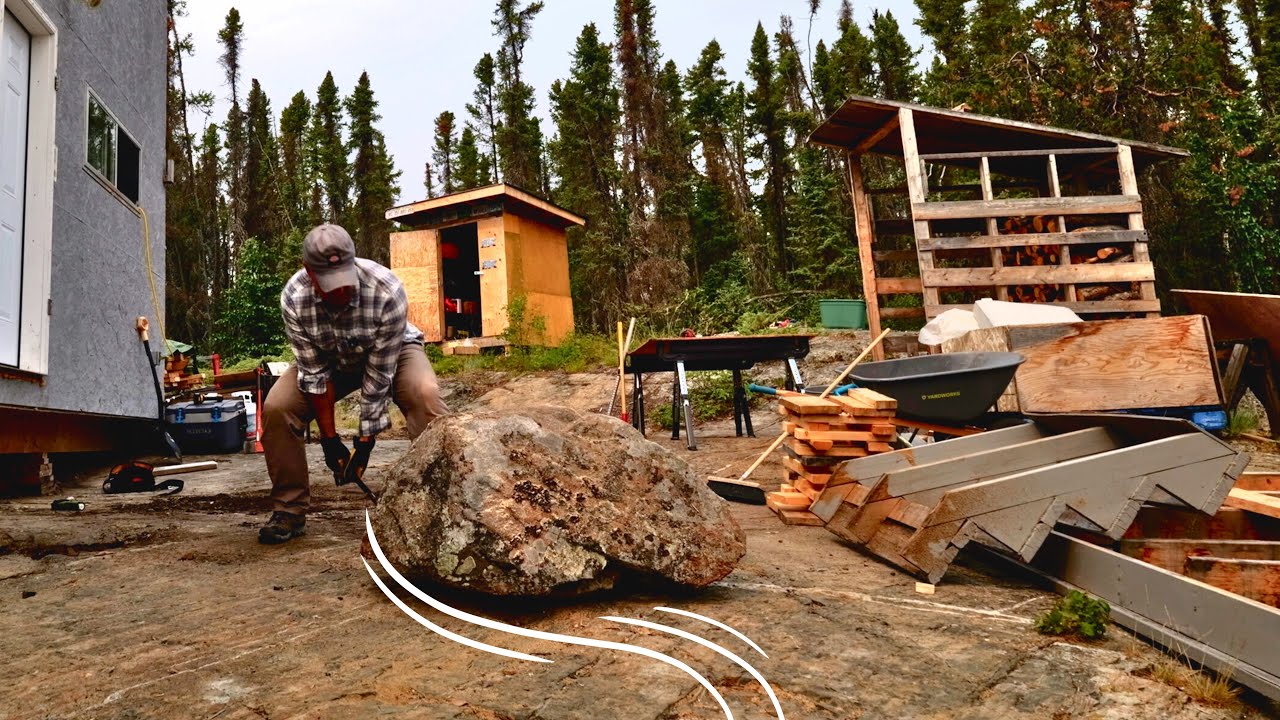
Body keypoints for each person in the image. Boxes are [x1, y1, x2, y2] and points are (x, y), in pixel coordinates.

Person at [258, 223, 449, 544]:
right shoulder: (294, 297)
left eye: (344, 281)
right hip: (330, 360)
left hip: (392, 353)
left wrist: (364, 443)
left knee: (424, 394)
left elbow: (379, 375)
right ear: (308, 272)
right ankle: (289, 509)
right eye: (330, 285)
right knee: (278, 408)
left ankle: (446, 500)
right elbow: (315, 374)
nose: (340, 292)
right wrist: (330, 440)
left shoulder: (387, 289)